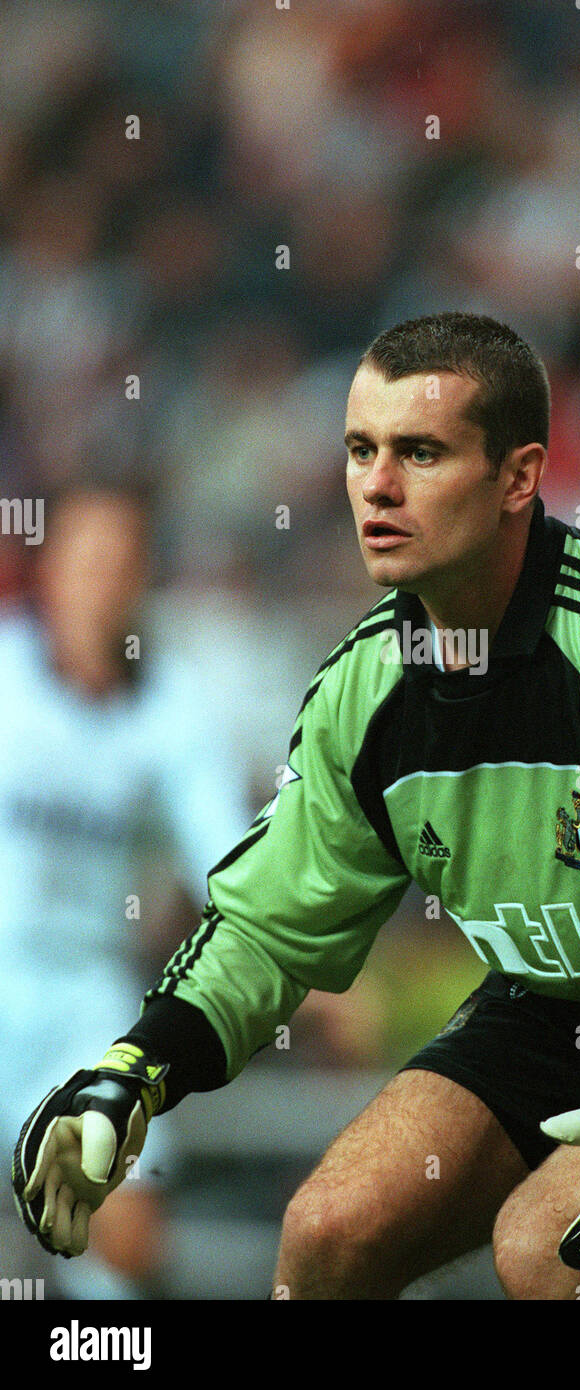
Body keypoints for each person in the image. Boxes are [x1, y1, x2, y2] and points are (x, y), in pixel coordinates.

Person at [12, 313, 580, 1300]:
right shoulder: (361, 691)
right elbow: (267, 929)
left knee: (547, 1251)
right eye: (360, 450)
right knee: (327, 1233)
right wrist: (136, 1069)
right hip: (559, 998)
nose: (376, 485)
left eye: (419, 452)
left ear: (517, 476)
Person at [1, 478, 249, 1297]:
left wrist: (313, 970)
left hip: (82, 996)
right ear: (48, 568)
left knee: (126, 1244)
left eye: (123, 559)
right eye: (87, 556)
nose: (104, 578)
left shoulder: (170, 706)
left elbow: (225, 860)